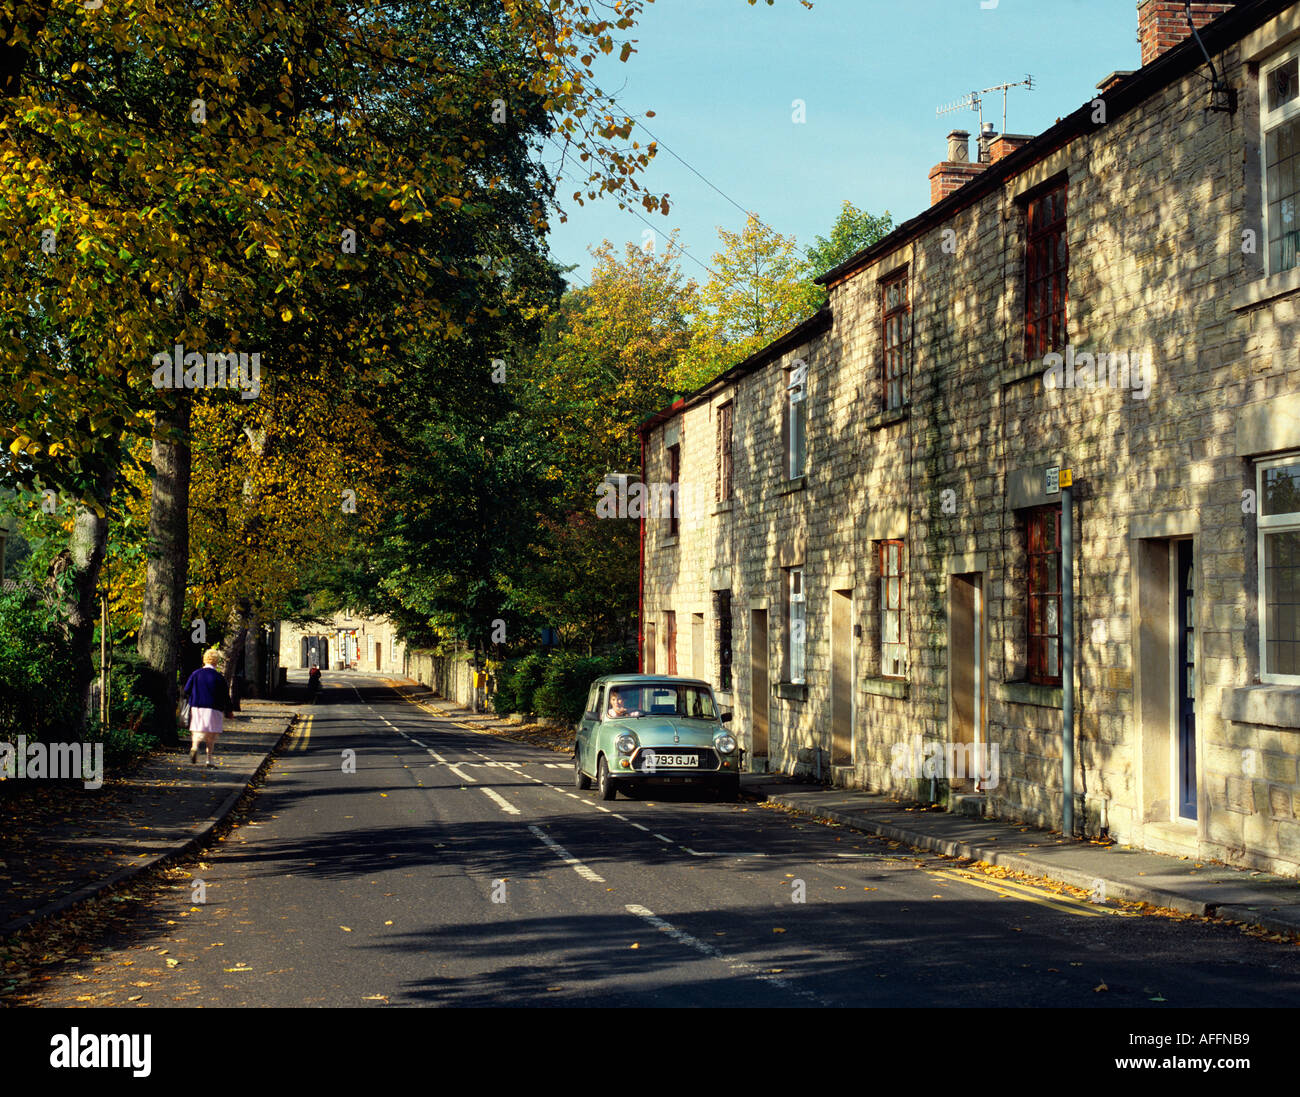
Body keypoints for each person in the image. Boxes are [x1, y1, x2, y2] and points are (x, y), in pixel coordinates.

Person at [183, 650, 233, 767]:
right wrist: (229, 711)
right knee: (211, 735)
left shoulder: (196, 674)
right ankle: (209, 759)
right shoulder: (219, 677)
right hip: (214, 708)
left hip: (197, 707)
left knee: (197, 730)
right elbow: (225, 696)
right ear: (216, 662)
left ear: (204, 659)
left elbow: (186, 689)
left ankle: (194, 747)